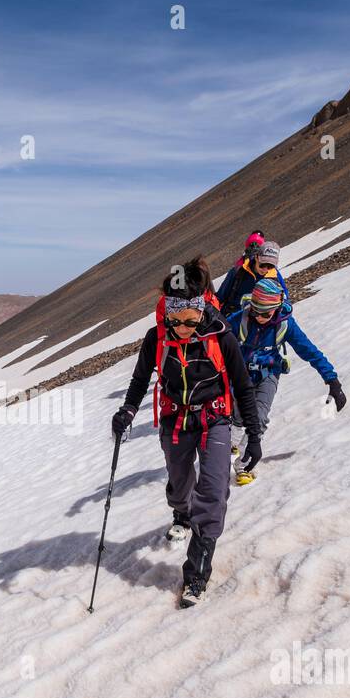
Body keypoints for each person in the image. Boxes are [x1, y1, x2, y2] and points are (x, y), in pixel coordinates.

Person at [111, 256, 263, 607]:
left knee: (213, 493)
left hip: (215, 419)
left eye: (191, 320)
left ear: (201, 312)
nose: (182, 327)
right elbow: (140, 379)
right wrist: (127, 410)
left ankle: (196, 572)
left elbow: (242, 385)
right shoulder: (157, 338)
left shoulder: (220, 335)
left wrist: (253, 434)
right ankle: (181, 512)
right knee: (181, 485)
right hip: (175, 421)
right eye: (175, 320)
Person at [225, 276, 346, 485]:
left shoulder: (285, 325)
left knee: (260, 418)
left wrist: (332, 380)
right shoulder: (239, 319)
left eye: (265, 313)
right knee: (237, 415)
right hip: (239, 375)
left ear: (277, 308)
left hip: (268, 374)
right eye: (255, 310)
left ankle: (243, 466)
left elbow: (309, 350)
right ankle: (231, 442)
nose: (259, 316)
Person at [215, 236, 288, 318]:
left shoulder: (275, 276)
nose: (265, 269)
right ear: (256, 257)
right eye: (263, 264)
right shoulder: (238, 271)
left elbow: (284, 301)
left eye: (270, 266)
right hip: (233, 318)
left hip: (262, 320)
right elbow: (220, 297)